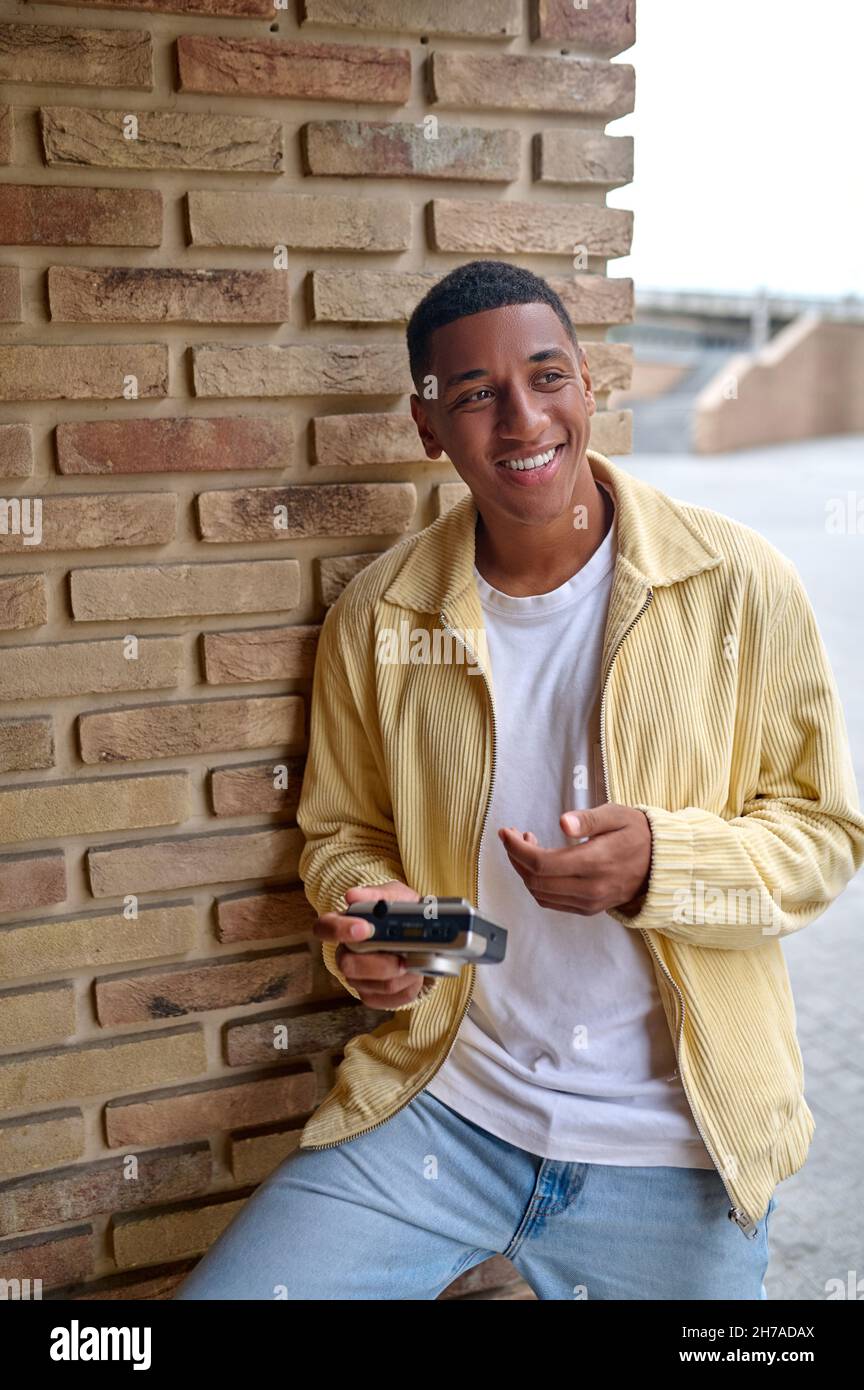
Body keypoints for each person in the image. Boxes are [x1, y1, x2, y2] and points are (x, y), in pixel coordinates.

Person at [174, 260, 864, 1300]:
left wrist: (664, 864)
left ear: (589, 386)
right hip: (445, 1112)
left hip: (676, 1150)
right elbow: (342, 831)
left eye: (547, 378)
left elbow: (823, 836)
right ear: (427, 427)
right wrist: (376, 919)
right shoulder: (381, 613)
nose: (522, 418)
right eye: (475, 395)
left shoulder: (738, 583)